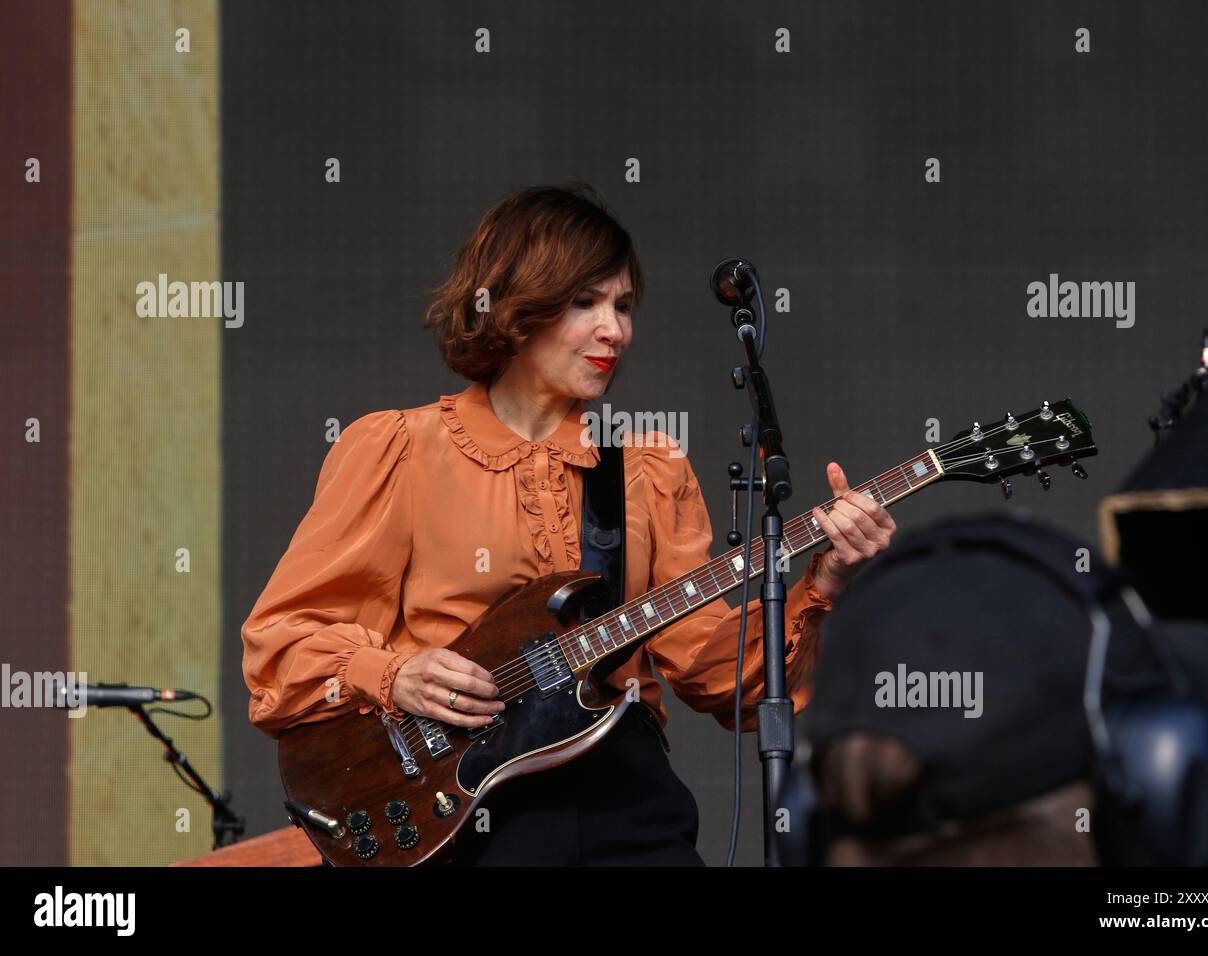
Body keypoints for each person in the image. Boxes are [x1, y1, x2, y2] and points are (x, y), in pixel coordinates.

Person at [241, 182, 896, 865]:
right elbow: (281, 644)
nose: (614, 329)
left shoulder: (646, 469)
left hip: (625, 804)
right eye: (585, 302)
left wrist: (826, 581)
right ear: (516, 306)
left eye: (622, 305)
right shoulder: (401, 450)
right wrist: (392, 674)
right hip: (468, 813)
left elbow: (719, 676)